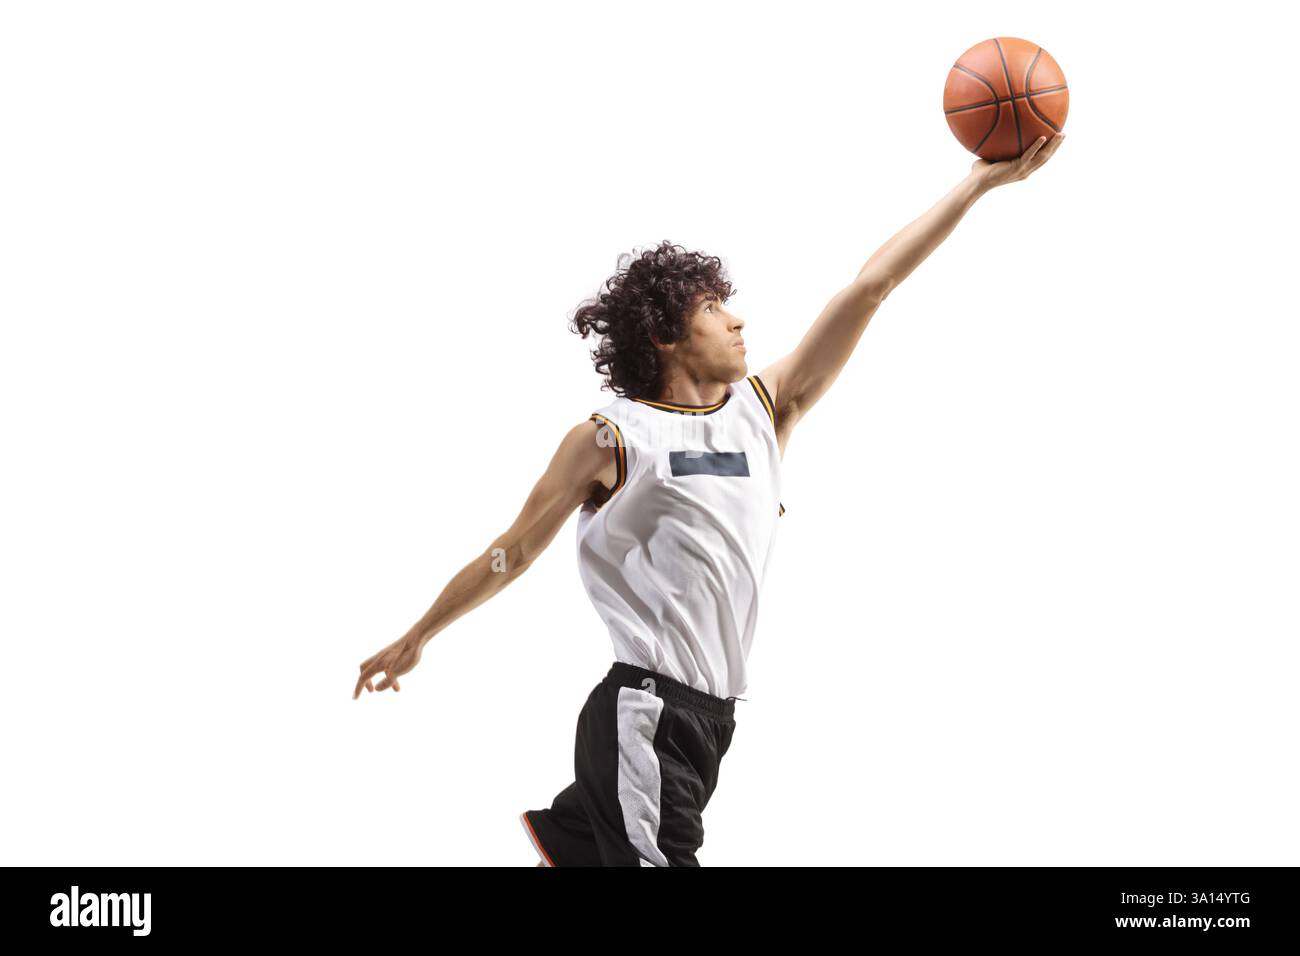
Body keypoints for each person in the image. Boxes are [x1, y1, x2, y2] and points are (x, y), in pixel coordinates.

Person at [354, 133, 1065, 866]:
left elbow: (870, 287)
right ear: (665, 334)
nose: (738, 320)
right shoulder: (610, 439)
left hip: (710, 723)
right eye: (713, 307)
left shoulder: (766, 411)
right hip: (646, 712)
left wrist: (974, 187)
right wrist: (418, 636)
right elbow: (509, 553)